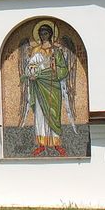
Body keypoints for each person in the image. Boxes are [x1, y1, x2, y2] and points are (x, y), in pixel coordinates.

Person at [19, 21, 77, 157]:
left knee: (53, 113)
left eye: (45, 33)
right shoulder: (35, 51)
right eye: (41, 33)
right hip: (39, 87)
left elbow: (63, 69)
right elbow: (30, 67)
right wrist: (31, 75)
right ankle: (41, 144)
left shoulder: (56, 51)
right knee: (40, 114)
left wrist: (55, 71)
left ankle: (56, 143)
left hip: (53, 86)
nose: (43, 35)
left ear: (50, 34)